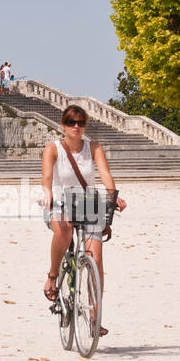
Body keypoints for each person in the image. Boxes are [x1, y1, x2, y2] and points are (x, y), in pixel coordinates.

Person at [41, 104, 126, 337]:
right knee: (64, 229)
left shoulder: (95, 148)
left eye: (80, 123)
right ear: (63, 125)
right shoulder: (53, 149)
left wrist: (113, 195)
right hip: (60, 202)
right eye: (71, 123)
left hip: (86, 202)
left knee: (95, 259)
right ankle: (52, 275)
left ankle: (94, 318)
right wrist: (47, 196)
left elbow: (105, 174)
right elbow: (47, 178)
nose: (76, 127)